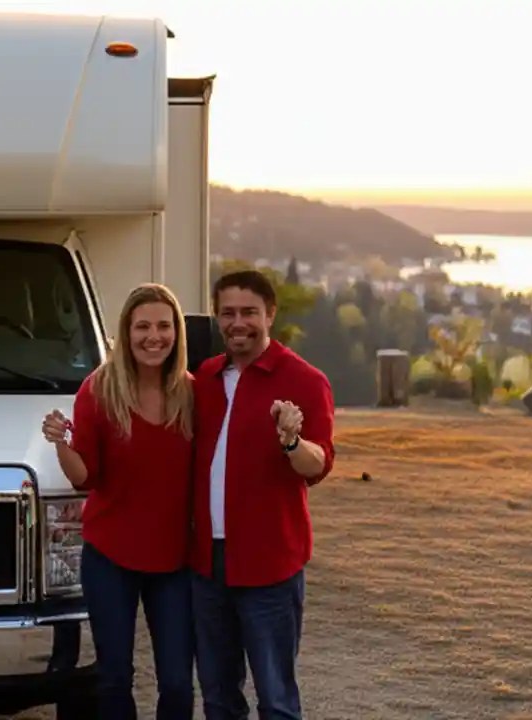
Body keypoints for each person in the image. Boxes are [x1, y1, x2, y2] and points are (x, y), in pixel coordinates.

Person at [40, 282, 196, 720]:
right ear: (126, 333)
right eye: (142, 326)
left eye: (164, 326)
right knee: (113, 677)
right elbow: (83, 478)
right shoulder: (99, 390)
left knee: (179, 684)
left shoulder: (192, 394)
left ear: (177, 333)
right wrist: (60, 442)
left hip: (175, 561)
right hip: (111, 558)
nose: (154, 336)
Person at [188, 269, 336, 720]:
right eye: (228, 313)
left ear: (270, 314)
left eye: (249, 312)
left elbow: (319, 463)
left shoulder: (306, 381)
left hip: (269, 567)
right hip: (206, 566)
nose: (238, 323)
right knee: (217, 698)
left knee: (275, 700)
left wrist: (291, 440)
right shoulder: (207, 377)